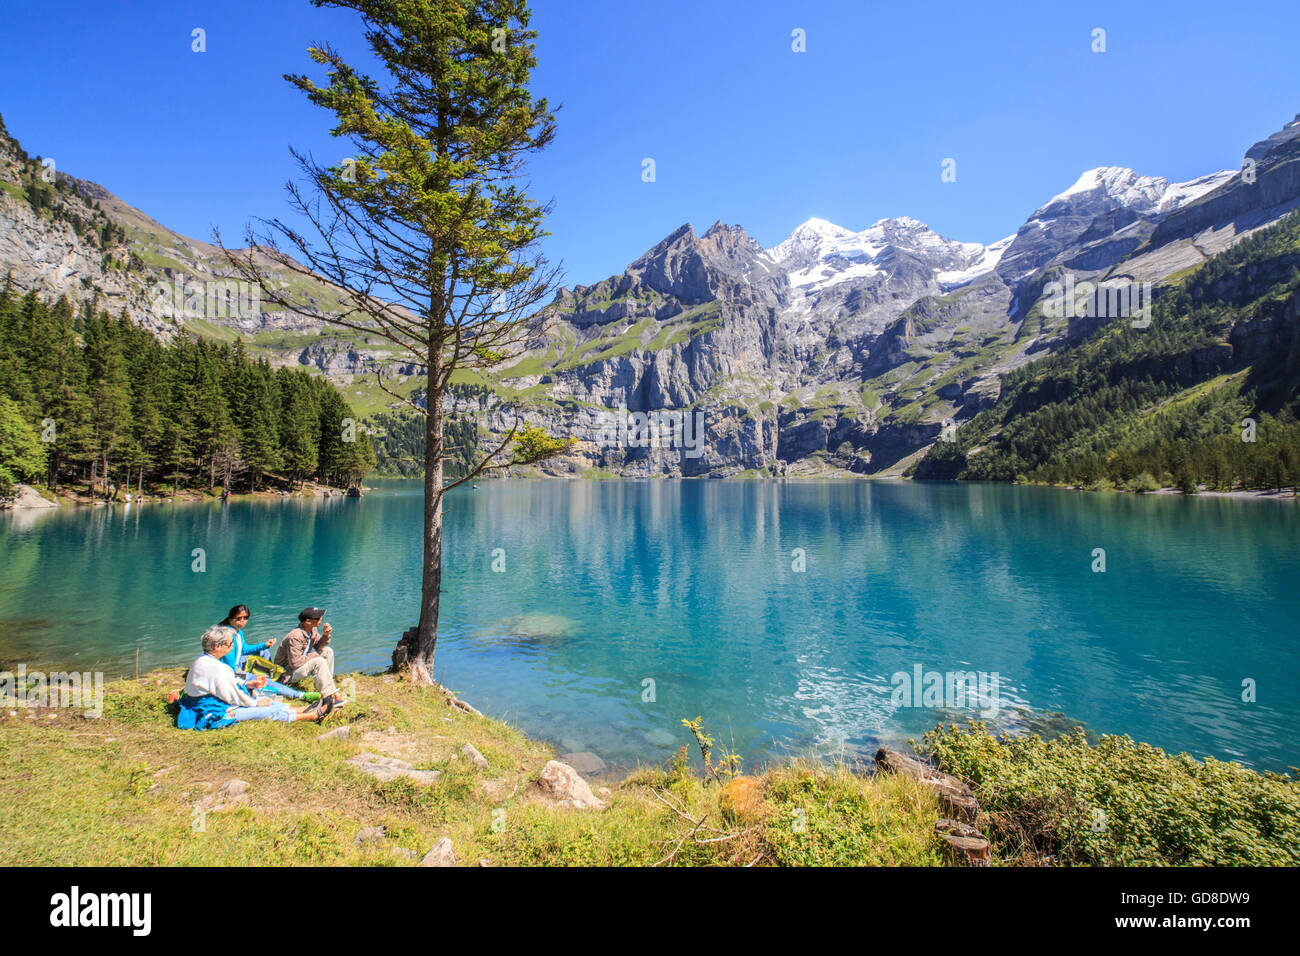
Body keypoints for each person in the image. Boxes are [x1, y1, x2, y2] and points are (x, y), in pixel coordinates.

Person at [177, 626, 330, 730]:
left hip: (204, 702)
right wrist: (256, 703)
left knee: (267, 703)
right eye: (230, 645)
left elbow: (228, 683)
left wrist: (248, 683)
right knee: (264, 711)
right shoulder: (216, 668)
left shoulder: (203, 660)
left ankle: (302, 709)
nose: (232, 648)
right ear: (217, 646)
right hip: (214, 710)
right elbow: (234, 697)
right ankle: (311, 715)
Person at [217, 604, 317, 703]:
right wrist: (235, 670)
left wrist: (265, 645)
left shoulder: (238, 632)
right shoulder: (228, 635)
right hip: (232, 670)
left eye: (246, 617)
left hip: (238, 662)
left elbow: (244, 649)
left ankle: (272, 675)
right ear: (231, 619)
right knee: (263, 681)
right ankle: (298, 694)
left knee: (264, 652)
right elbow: (228, 658)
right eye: (239, 618)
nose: (243, 621)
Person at [275, 607, 345, 708]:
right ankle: (328, 698)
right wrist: (314, 656)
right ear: (308, 621)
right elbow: (295, 663)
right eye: (318, 618)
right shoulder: (295, 636)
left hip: (299, 666)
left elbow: (318, 646)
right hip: (288, 673)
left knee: (328, 651)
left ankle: (329, 686)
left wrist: (326, 635)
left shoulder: (312, 630)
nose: (321, 619)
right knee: (319, 661)